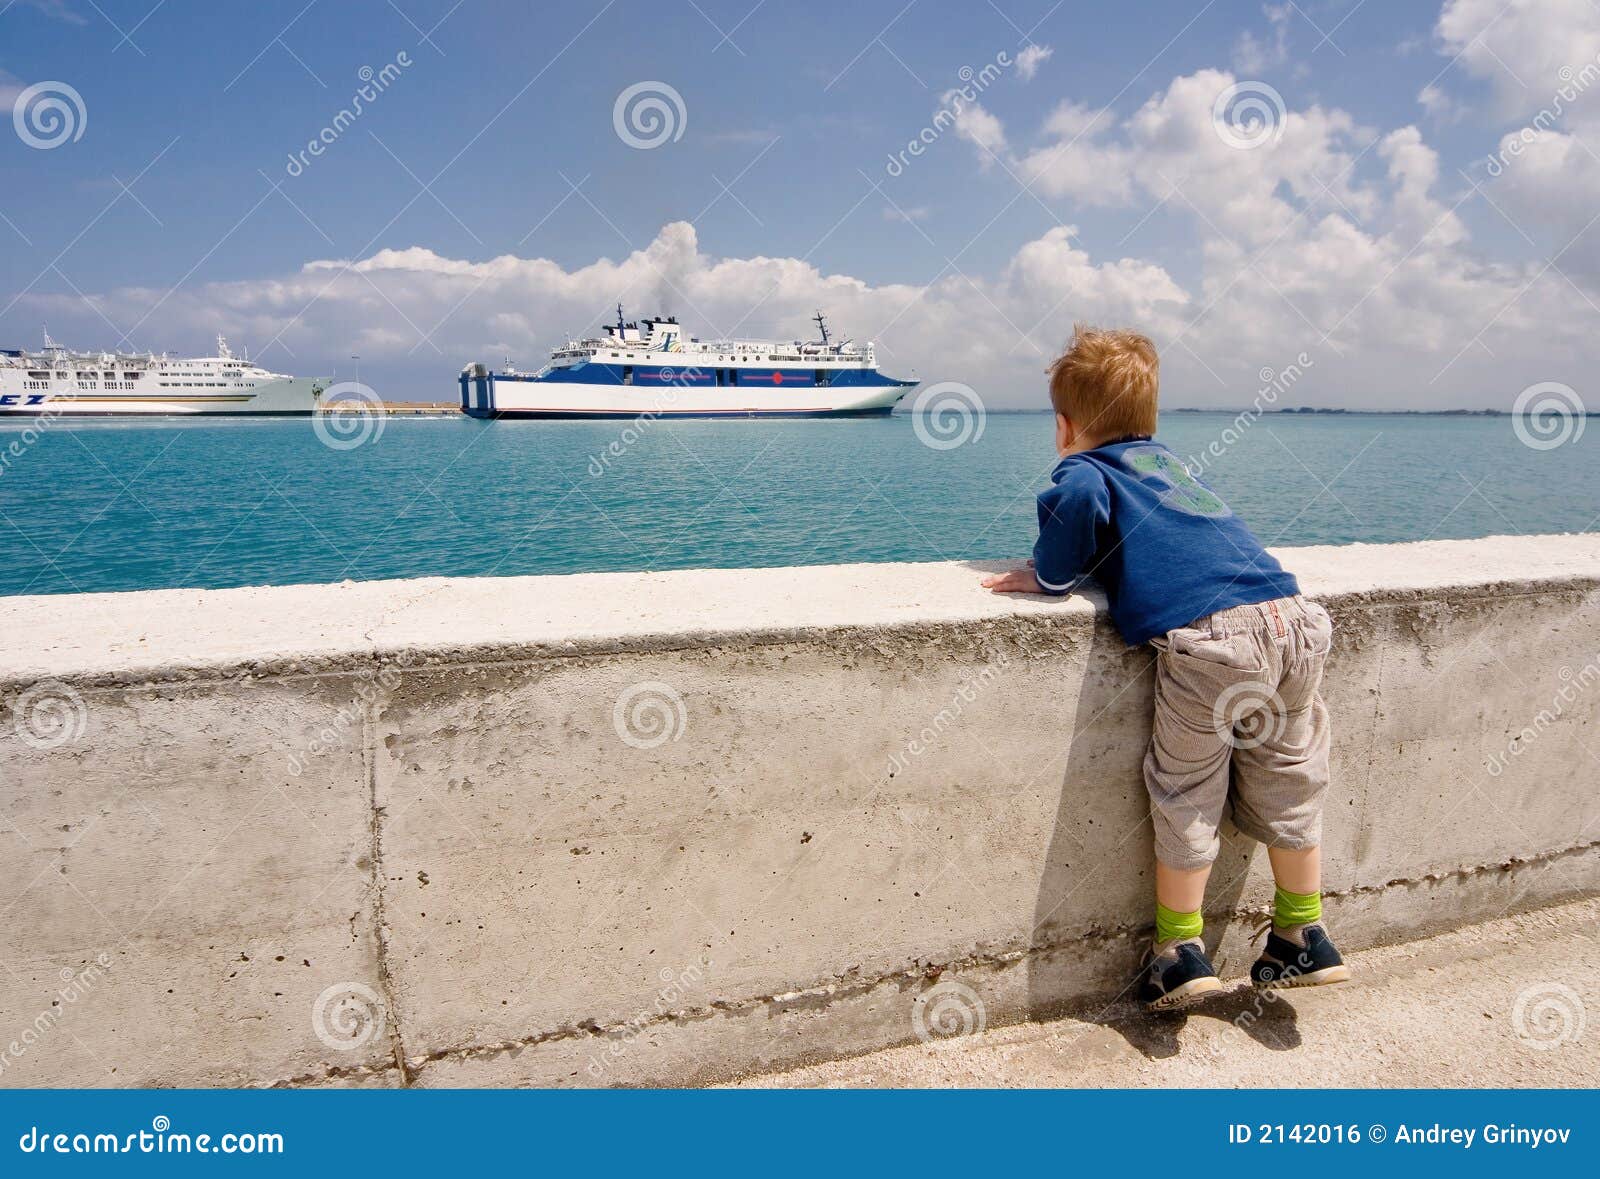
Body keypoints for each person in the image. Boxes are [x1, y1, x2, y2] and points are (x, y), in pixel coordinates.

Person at [981, 325, 1350, 1009]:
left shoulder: (1086, 469)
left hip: (1215, 641)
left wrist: (1048, 575)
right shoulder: (1171, 465)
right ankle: (1304, 931)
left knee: (1186, 789)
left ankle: (1179, 950)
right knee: (1290, 777)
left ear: (1065, 427)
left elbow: (1079, 511)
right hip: (1292, 619)